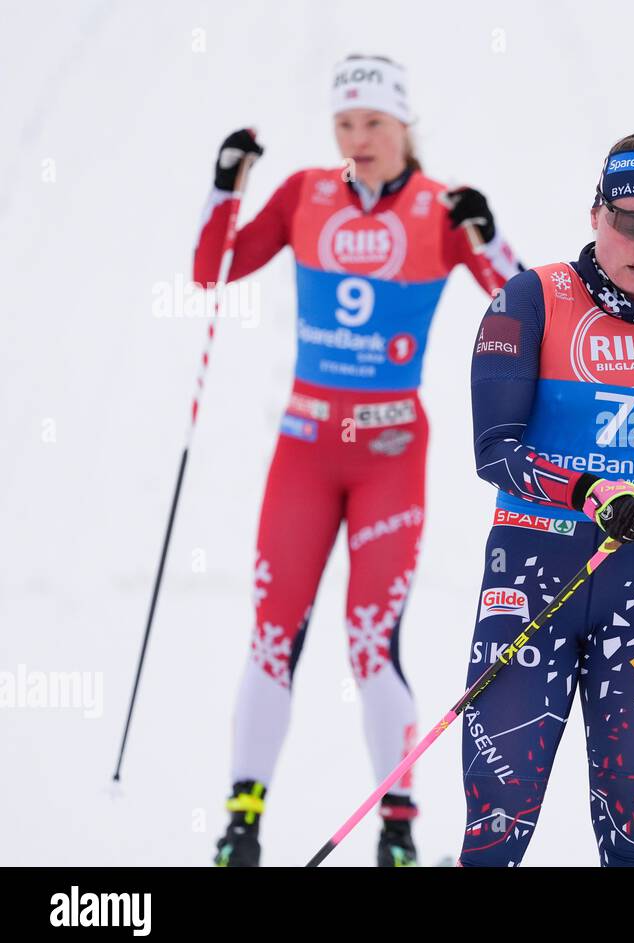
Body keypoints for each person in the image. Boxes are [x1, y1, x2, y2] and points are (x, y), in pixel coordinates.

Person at [192, 54, 524, 867]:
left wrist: (489, 229)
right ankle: (243, 822)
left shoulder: (440, 208)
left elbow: (521, 312)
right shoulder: (306, 191)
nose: (358, 138)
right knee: (273, 635)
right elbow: (214, 270)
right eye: (345, 123)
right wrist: (225, 186)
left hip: (389, 453)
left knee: (371, 641)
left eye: (374, 121)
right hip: (307, 447)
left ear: (404, 123)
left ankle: (398, 829)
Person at [458, 128, 634, 866]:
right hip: (532, 576)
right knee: (496, 827)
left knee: (630, 836)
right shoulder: (529, 298)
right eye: (629, 223)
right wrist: (590, 493)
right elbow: (497, 451)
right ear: (596, 213)